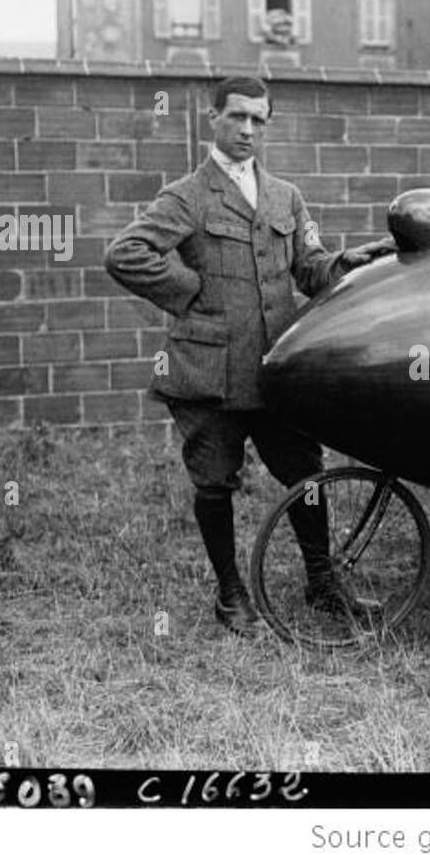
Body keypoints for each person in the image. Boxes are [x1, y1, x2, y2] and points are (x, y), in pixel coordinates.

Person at [105, 76, 395, 634]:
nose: (247, 129)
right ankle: (230, 592)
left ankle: (323, 582)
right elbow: (125, 253)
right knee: (215, 481)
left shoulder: (286, 195)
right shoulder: (187, 195)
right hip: (209, 372)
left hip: (277, 370)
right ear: (213, 118)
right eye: (237, 117)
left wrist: (348, 261)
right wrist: (190, 292)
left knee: (305, 473)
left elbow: (308, 269)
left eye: (258, 120)